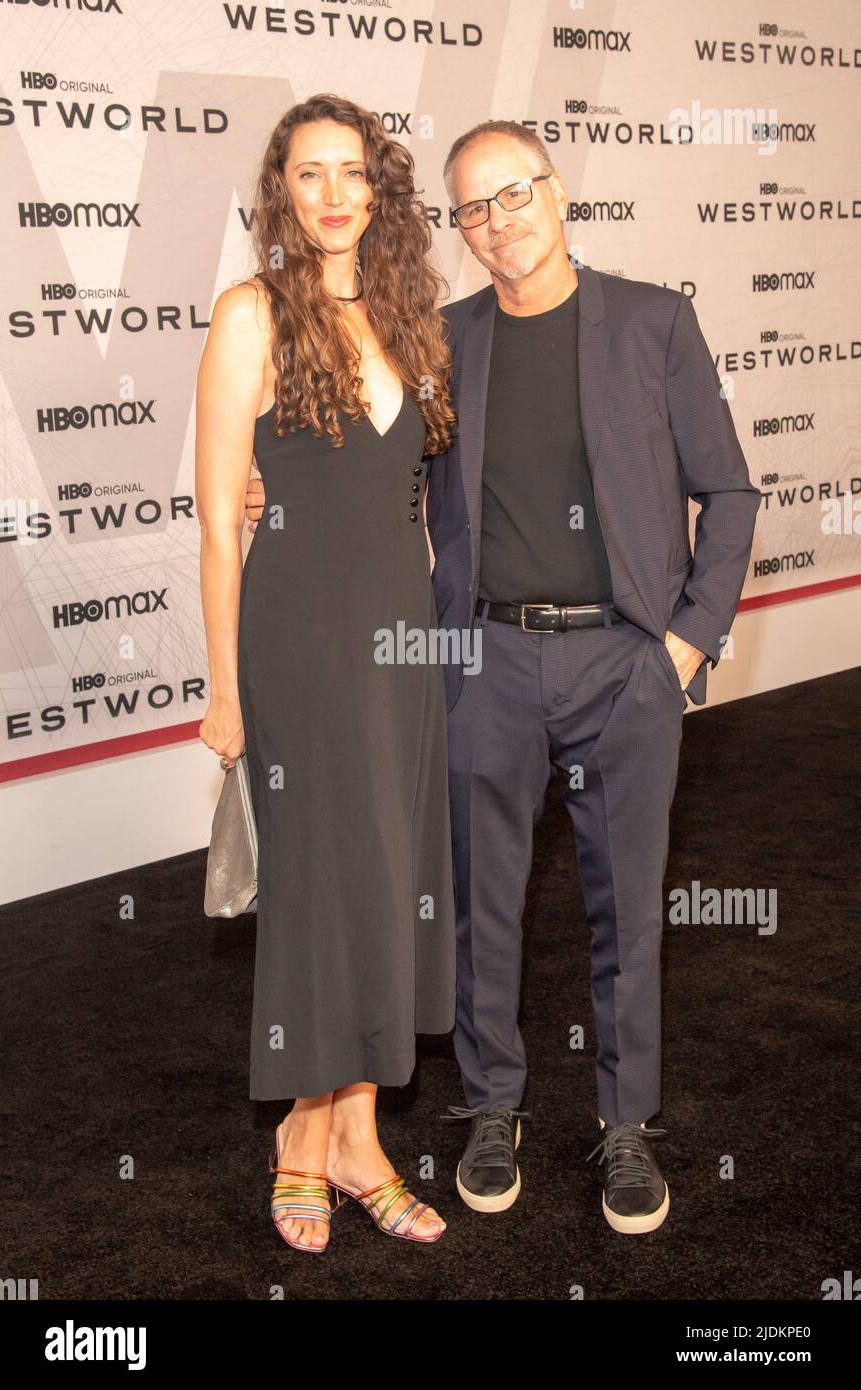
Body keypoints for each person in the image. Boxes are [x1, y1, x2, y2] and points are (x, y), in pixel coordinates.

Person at [246, 119, 762, 1236]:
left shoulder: (652, 321)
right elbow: (365, 460)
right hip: (480, 662)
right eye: (471, 208)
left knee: (626, 907)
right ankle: (490, 1107)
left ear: (557, 190)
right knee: (479, 907)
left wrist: (682, 644)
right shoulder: (440, 338)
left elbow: (728, 494)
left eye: (513, 195)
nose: (496, 223)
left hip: (624, 663)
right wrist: (261, 488)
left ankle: (625, 1124)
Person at [195, 93, 457, 1253]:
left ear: (378, 188)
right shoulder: (249, 312)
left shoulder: (408, 312)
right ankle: (304, 1135)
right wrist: (224, 688)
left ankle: (359, 1133)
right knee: (315, 885)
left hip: (402, 639)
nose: (334, 193)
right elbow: (214, 522)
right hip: (298, 634)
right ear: (281, 193)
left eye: (353, 172)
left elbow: (414, 507)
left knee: (390, 873)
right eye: (310, 174)